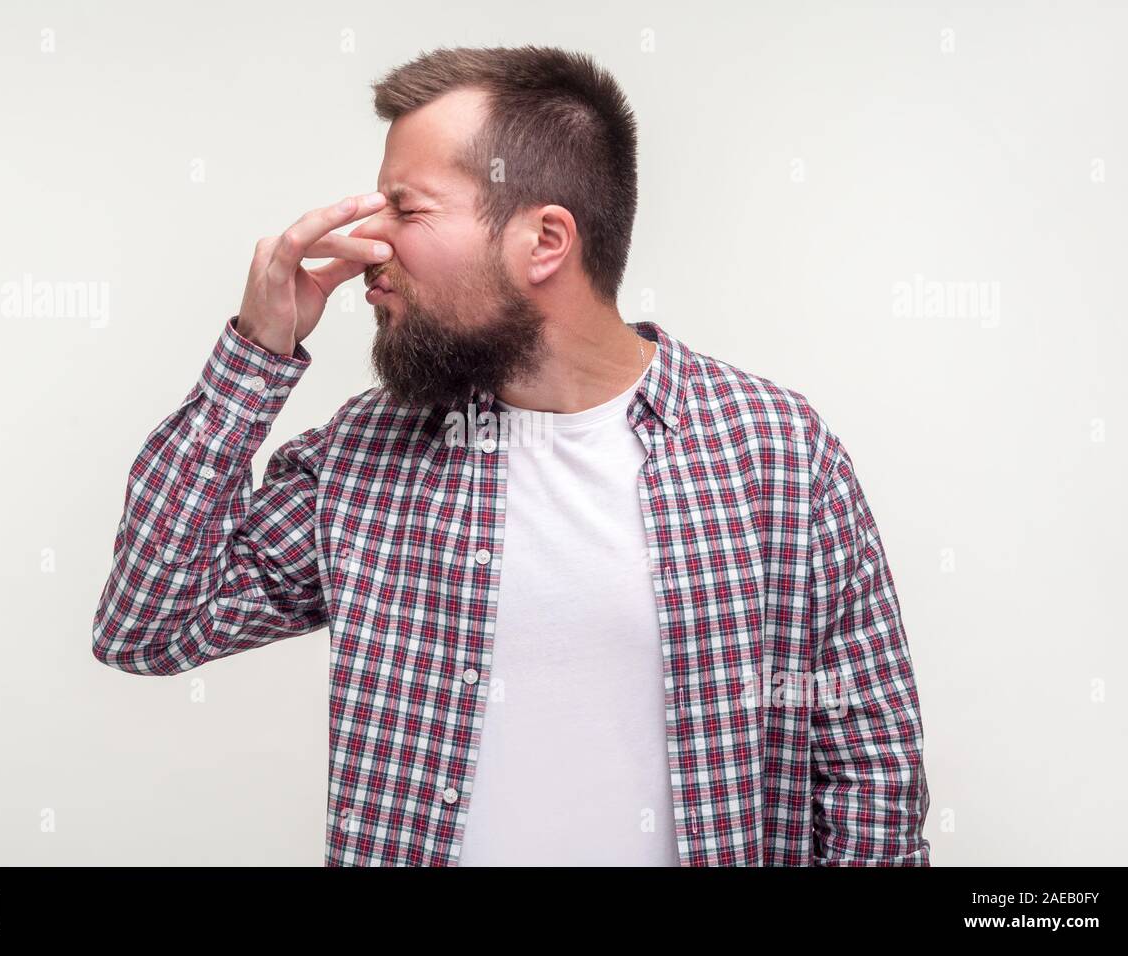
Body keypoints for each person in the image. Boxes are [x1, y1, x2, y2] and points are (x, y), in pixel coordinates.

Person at [92, 44, 931, 867]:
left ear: (545, 240)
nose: (365, 246)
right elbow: (148, 627)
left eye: (406, 209)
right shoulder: (362, 457)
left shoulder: (776, 454)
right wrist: (255, 355)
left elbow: (872, 779)